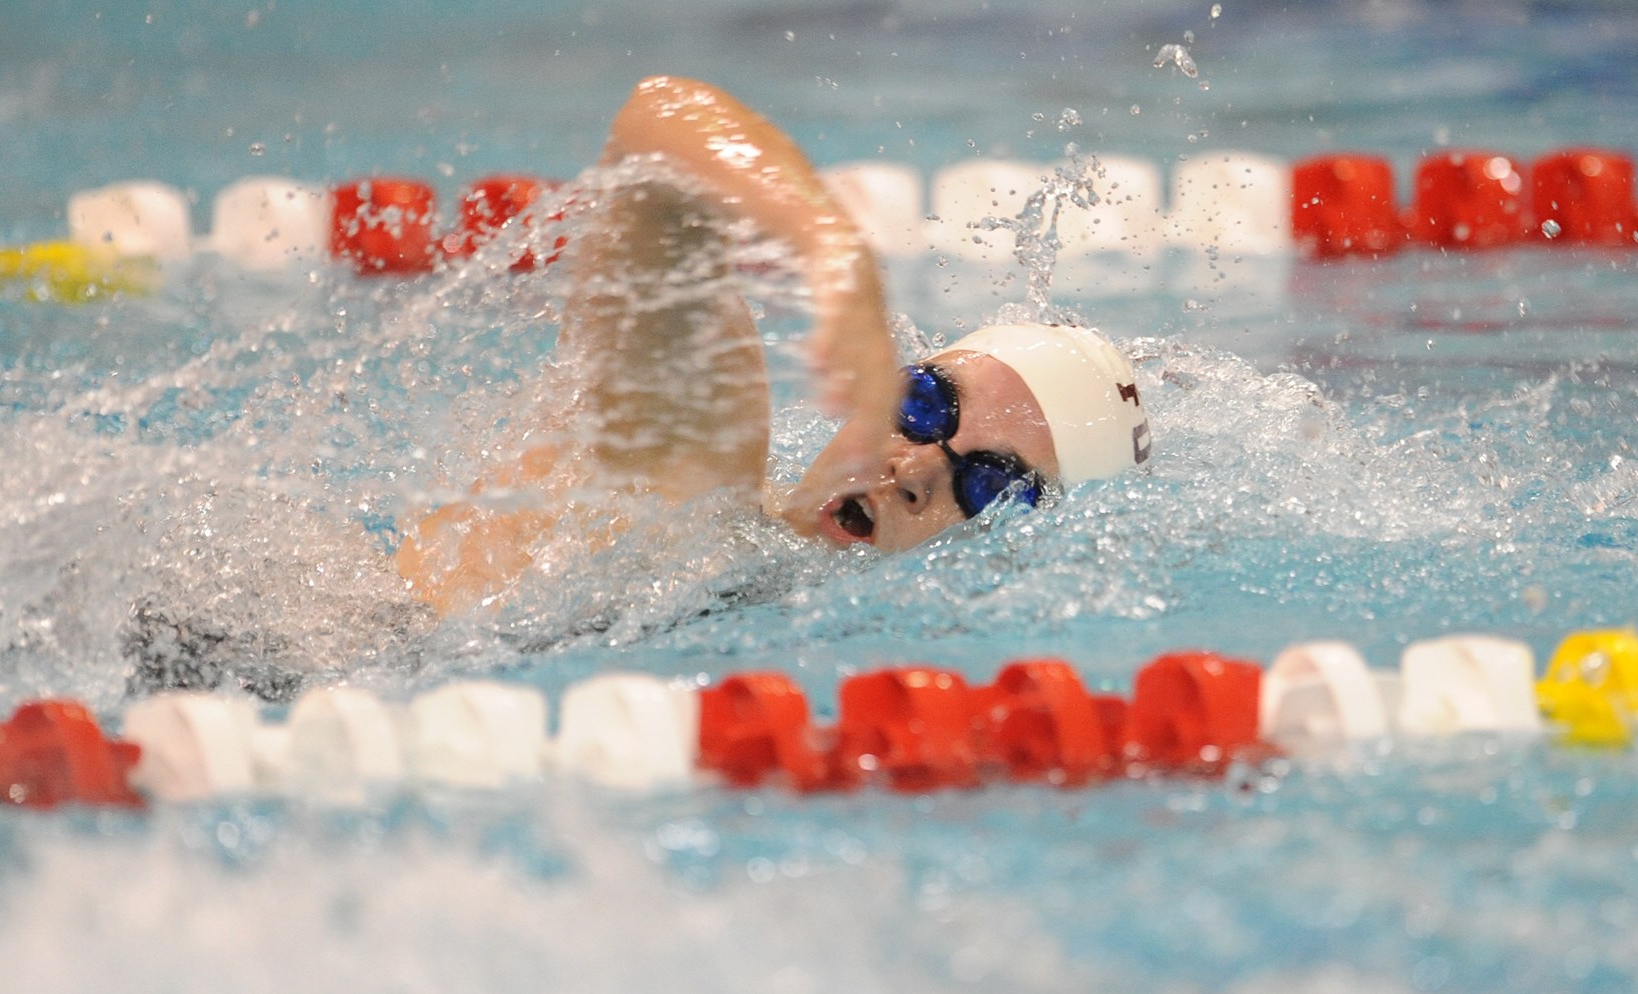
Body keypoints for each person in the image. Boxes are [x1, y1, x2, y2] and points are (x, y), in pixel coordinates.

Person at [393, 76, 1150, 615]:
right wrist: (836, 256)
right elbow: (657, 123)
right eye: (925, 404)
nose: (915, 468)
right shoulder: (694, 467)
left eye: (988, 485)